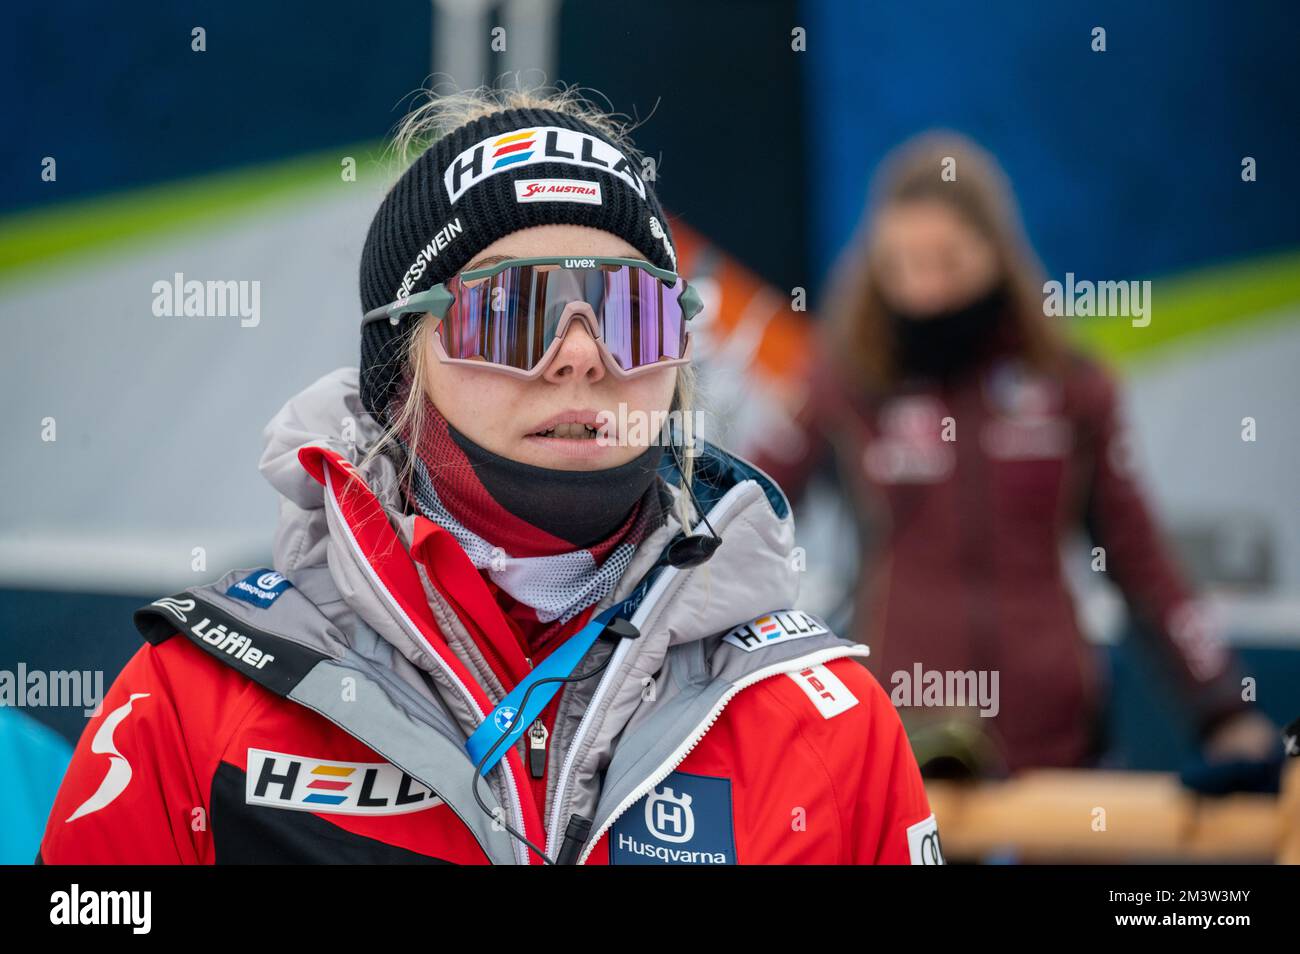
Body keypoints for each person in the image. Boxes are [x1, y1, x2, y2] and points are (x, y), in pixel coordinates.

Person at [35, 88, 939, 865]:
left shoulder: (828, 721)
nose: (582, 358)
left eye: (630, 311)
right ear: (403, 366)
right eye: (513, 311)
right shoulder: (201, 698)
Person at [753, 131, 1276, 774]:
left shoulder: (1069, 381)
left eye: (945, 261)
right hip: (904, 753)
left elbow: (1143, 563)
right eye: (900, 265)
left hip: (1060, 753)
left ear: (995, 253)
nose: (923, 289)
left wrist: (1225, 709)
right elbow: (744, 522)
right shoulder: (842, 379)